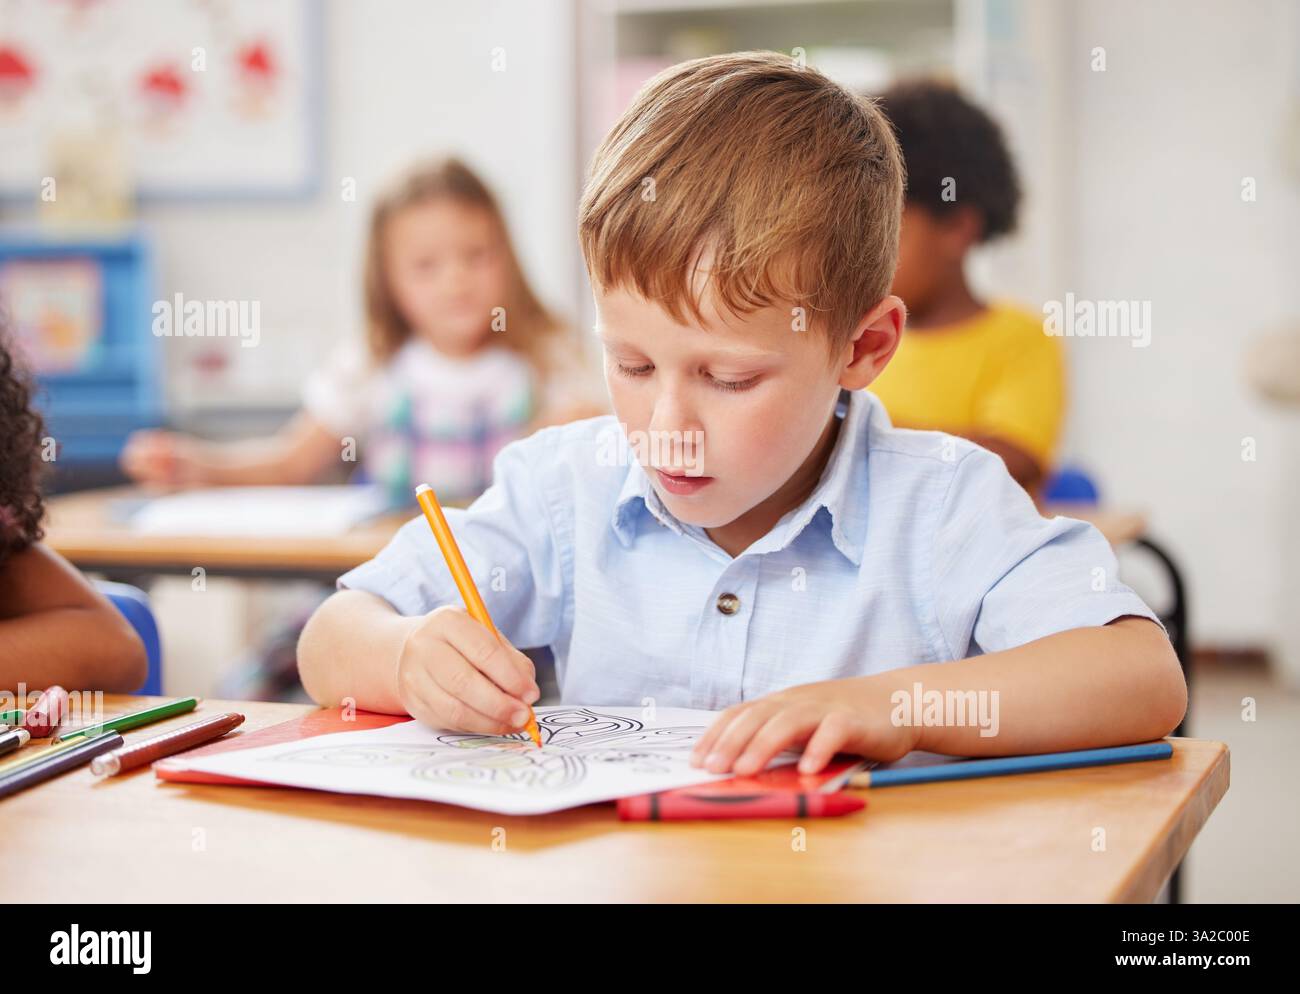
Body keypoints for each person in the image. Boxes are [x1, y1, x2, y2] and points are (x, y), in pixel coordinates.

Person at [297, 53, 1184, 776]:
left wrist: (892, 707)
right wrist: (410, 655)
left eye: (729, 377)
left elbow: (1140, 678)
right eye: (632, 363)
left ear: (864, 348)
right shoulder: (563, 491)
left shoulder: (940, 504)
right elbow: (334, 637)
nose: (667, 422)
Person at [871, 79, 1065, 493]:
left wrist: (867, 438)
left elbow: (1015, 459)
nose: (862, 257)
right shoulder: (846, 337)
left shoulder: (1020, 338)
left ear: (958, 228)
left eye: (886, 234)